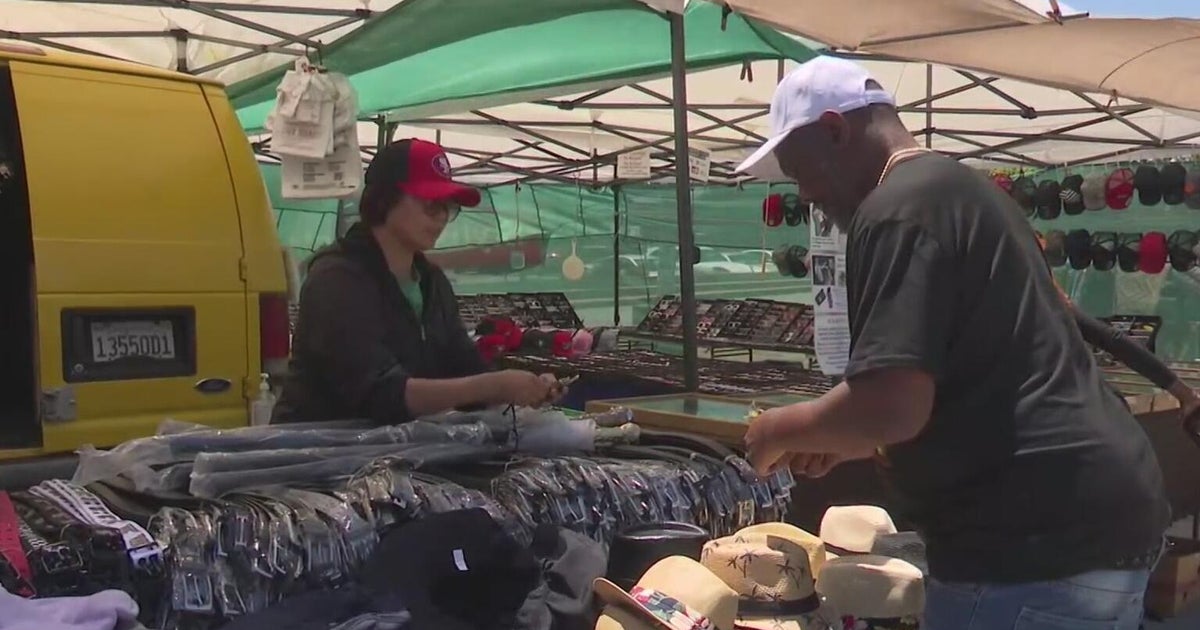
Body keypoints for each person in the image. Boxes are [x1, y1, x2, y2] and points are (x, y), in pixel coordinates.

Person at [738, 57, 1172, 629]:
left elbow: (893, 404)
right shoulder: (960, 189)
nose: (807, 196)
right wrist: (844, 437)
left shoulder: (896, 209)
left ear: (836, 131)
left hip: (1031, 545)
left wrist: (776, 430)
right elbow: (964, 377)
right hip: (1094, 521)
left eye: (799, 174)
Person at [273, 138, 560, 425]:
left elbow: (462, 365)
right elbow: (379, 394)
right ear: (385, 200)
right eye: (430, 205)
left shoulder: (431, 282)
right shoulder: (337, 281)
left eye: (448, 208)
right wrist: (493, 386)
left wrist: (525, 387)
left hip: (385, 454)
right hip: (316, 458)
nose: (441, 218)